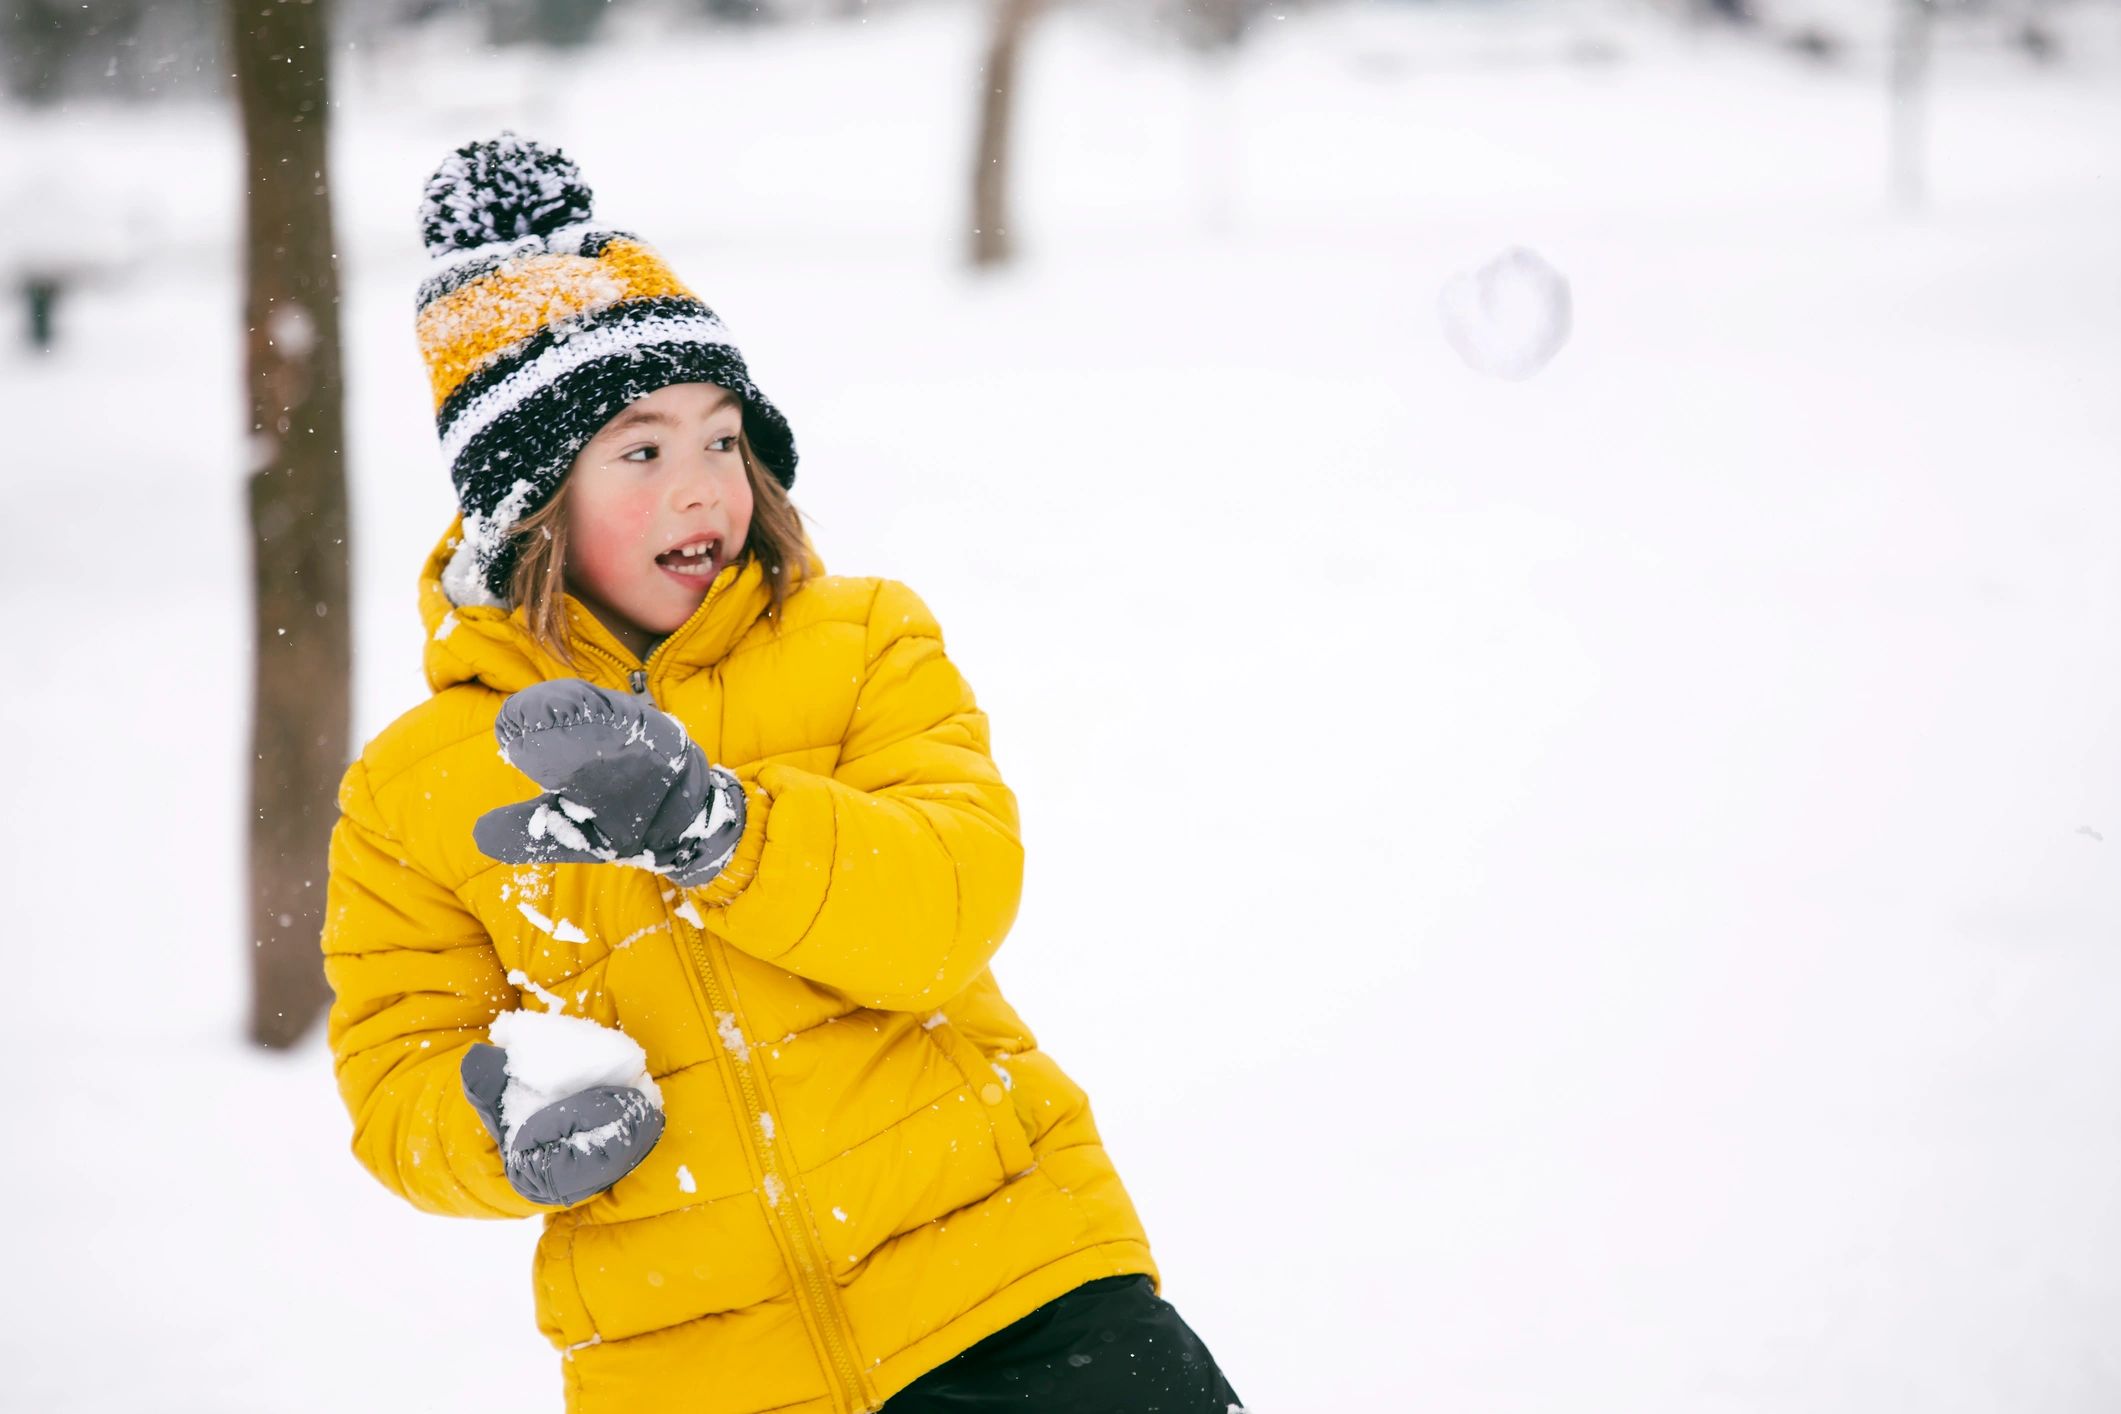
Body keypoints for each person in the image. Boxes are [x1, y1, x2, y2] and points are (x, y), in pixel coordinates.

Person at [319, 132, 1245, 1414]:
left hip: (1018, 1302)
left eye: (721, 437)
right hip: (696, 1373)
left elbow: (952, 900)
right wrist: (497, 1129)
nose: (704, 490)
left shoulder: (861, 640)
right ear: (529, 502)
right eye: (640, 453)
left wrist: (720, 828)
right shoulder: (408, 791)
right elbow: (396, 1071)